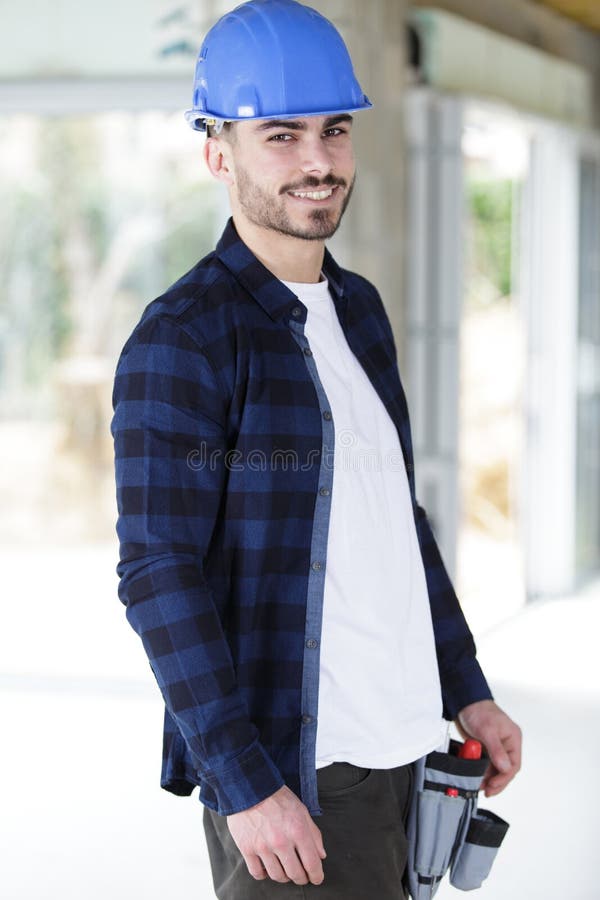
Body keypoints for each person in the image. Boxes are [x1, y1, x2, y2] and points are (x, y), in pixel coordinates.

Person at [111, 1, 522, 897]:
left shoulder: (361, 312)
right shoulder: (185, 338)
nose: (317, 161)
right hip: (298, 781)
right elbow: (157, 571)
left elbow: (395, 524)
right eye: (281, 135)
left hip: (408, 761)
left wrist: (467, 687)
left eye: (335, 130)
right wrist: (247, 784)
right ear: (217, 152)